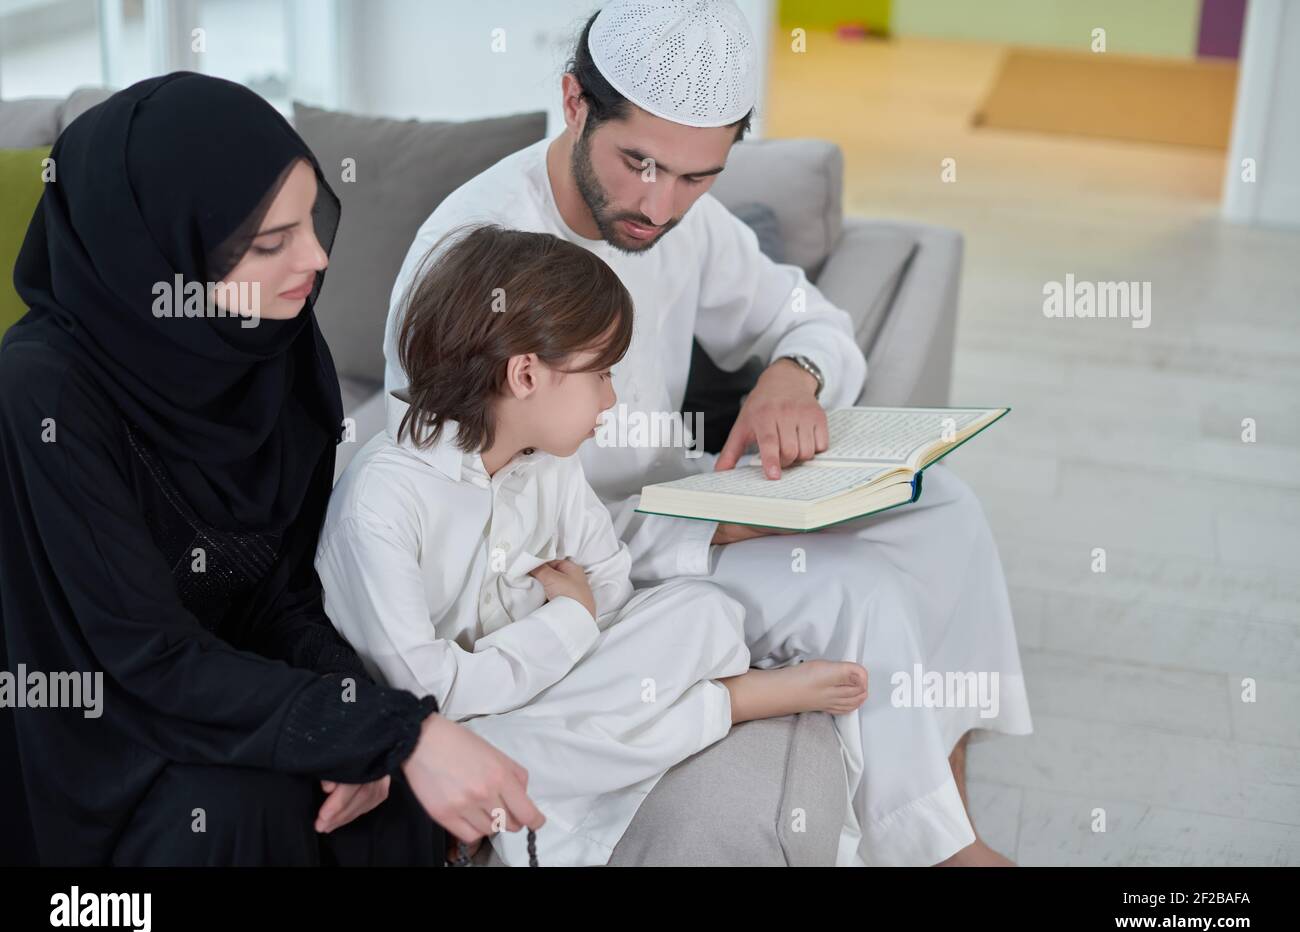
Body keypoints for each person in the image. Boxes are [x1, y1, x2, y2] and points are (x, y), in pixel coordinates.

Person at [381, 0, 1033, 866]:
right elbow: (481, 537)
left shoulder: (680, 220)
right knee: (859, 591)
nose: (659, 204)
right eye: (638, 163)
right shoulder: (475, 253)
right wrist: (710, 526)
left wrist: (789, 377)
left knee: (944, 507)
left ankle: (945, 805)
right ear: (575, 103)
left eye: (698, 176)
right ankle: (944, 853)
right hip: (573, 570)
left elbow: (813, 320)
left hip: (676, 502)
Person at [0, 72, 539, 865]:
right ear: (163, 253)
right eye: (268, 243)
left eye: (311, 219)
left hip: (219, 688)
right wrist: (392, 731)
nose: (317, 258)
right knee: (242, 817)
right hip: (92, 720)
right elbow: (142, 655)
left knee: (386, 800)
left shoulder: (274, 343)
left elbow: (281, 598)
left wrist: (369, 726)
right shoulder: (41, 390)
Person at [316, 224, 868, 866]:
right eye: (601, 374)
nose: (611, 398)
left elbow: (611, 581)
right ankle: (722, 704)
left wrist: (573, 624)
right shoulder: (384, 499)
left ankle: (546, 767)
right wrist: (566, 622)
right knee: (508, 741)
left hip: (550, 683)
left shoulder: (547, 462)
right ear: (525, 373)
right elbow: (427, 693)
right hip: (447, 728)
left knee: (703, 611)